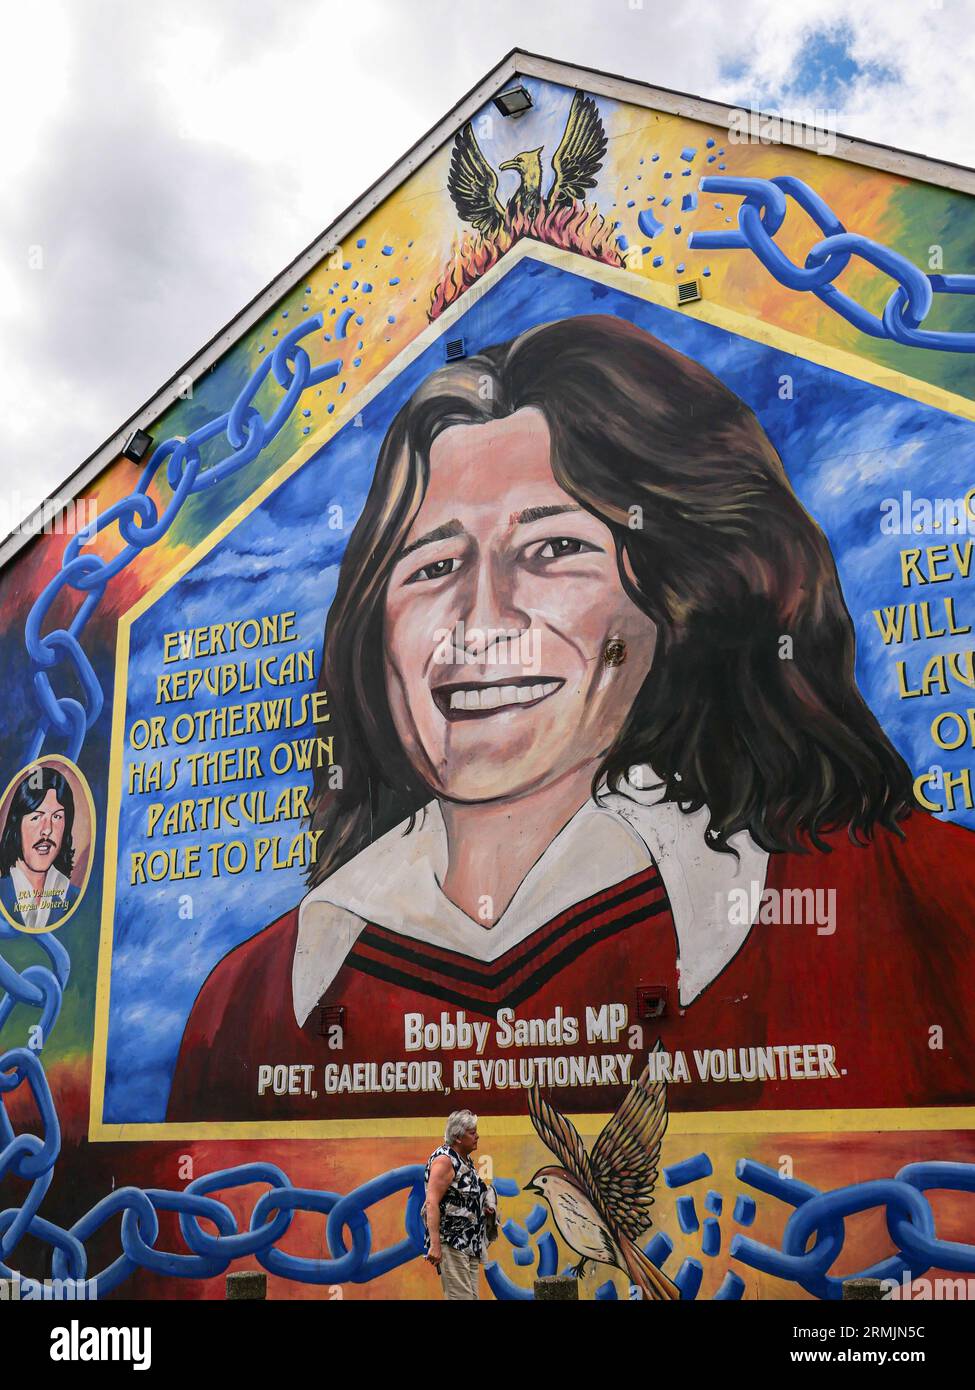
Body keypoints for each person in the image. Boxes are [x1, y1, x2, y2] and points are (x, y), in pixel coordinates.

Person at [167, 313, 975, 1123]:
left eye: (554, 550)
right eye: (434, 566)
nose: (479, 620)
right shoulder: (255, 1004)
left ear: (680, 593)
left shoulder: (923, 909)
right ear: (373, 629)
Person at [0, 766, 79, 930]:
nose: (47, 829)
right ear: (17, 825)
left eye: (57, 817)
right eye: (36, 817)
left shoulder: (73, 898)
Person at [423, 1110, 486, 1300]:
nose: (477, 1136)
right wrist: (435, 1245)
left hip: (469, 1244)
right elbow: (431, 1202)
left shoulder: (464, 1160)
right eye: (472, 1132)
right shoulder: (445, 1160)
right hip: (452, 1241)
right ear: (458, 1137)